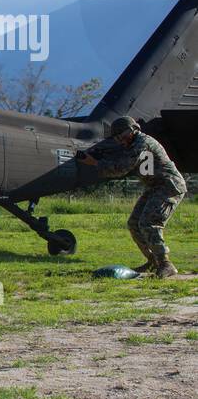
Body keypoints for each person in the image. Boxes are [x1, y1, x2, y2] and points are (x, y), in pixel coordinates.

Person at [76, 115, 186, 278]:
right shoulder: (131, 145)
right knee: (134, 223)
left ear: (134, 131)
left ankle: (166, 264)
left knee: (149, 223)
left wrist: (94, 162)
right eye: (118, 138)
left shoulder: (142, 143)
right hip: (155, 186)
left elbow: (122, 168)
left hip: (168, 186)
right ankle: (153, 261)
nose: (121, 141)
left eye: (123, 136)